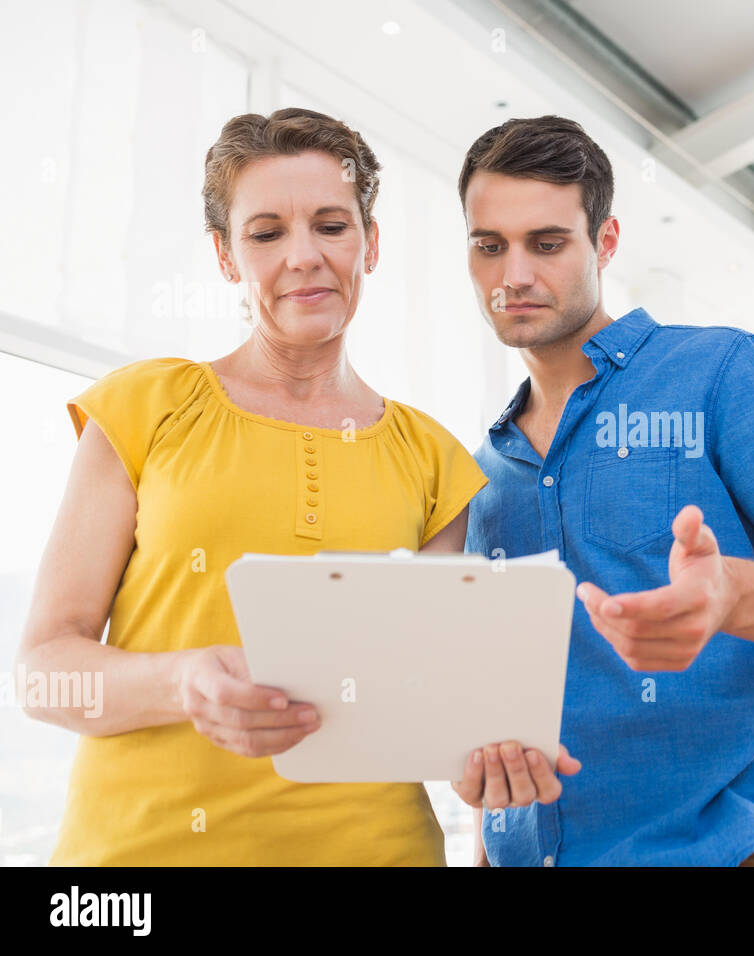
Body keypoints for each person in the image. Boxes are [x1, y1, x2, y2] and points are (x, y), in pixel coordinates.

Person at [16, 107, 562, 865]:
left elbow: (430, 712)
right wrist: (183, 683)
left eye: (331, 226)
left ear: (370, 245)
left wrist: (487, 764)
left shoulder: (434, 460)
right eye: (266, 232)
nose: (302, 256)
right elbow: (44, 676)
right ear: (226, 257)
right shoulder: (144, 407)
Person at [453, 115, 754, 866]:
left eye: (548, 242)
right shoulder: (483, 478)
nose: (515, 276)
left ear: (605, 242)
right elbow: (498, 715)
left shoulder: (722, 372)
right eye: (489, 246)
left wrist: (731, 593)